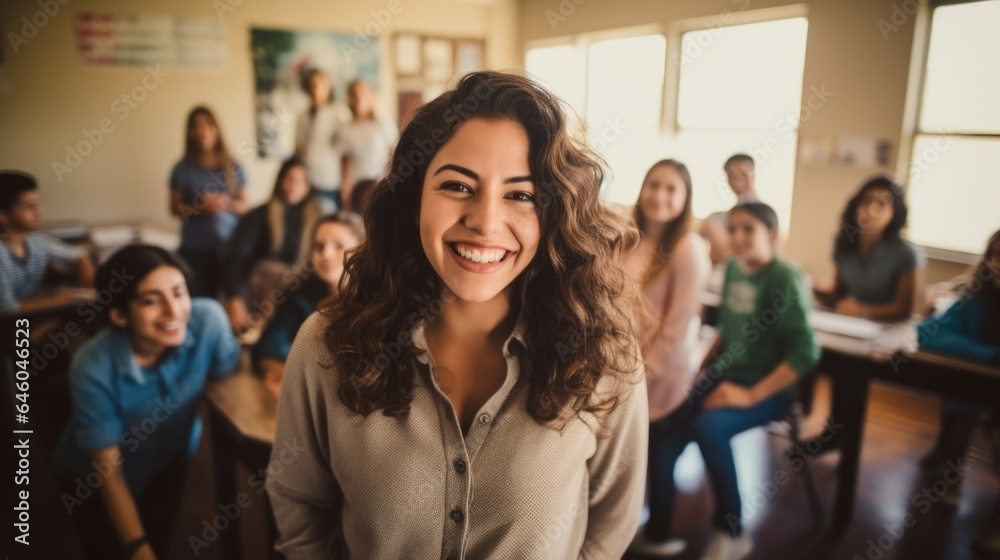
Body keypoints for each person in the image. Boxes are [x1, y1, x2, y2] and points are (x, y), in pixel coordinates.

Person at [266, 71, 649, 559]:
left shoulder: (603, 354)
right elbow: (299, 508)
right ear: (413, 196)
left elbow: (610, 524)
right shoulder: (325, 344)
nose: (485, 221)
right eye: (457, 185)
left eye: (521, 194)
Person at [644, 201, 819, 560]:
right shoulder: (735, 269)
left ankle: (732, 531)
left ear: (772, 235)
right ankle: (656, 530)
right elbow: (726, 329)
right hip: (725, 375)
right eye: (732, 228)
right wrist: (701, 373)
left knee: (710, 428)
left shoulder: (785, 276)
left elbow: (805, 352)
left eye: (748, 229)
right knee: (662, 430)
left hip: (771, 388)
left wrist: (749, 394)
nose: (737, 237)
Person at [54, 245, 241, 560]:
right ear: (118, 313)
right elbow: (108, 473)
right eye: (151, 301)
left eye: (179, 292)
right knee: (113, 549)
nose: (174, 311)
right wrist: (136, 547)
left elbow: (230, 376)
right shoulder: (93, 366)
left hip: (168, 460)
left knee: (160, 535)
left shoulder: (208, 320)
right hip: (92, 481)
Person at [625, 160, 710, 555]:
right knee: (624, 455)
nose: (660, 196)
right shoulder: (629, 237)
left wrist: (641, 375)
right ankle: (622, 525)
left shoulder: (688, 248)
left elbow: (676, 329)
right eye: (654, 185)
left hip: (659, 375)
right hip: (621, 366)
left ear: (685, 199)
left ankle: (659, 534)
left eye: (671, 189)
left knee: (657, 455)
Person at [808, 176, 925, 454]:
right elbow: (837, 293)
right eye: (867, 200)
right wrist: (808, 284)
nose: (871, 209)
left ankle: (840, 436)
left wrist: (862, 309)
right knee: (813, 349)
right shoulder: (844, 244)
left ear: (895, 213)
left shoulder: (906, 253)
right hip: (852, 328)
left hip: (889, 330)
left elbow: (906, 308)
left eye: (882, 203)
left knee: (851, 369)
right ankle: (825, 427)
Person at [916, 229, 1000, 516]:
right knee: (964, 401)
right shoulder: (976, 297)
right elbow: (927, 332)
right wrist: (989, 355)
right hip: (978, 387)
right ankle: (951, 473)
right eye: (995, 256)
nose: (998, 264)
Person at [253, 211, 364, 399]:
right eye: (319, 246)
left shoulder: (379, 300)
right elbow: (269, 348)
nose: (326, 254)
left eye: (339, 246)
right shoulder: (299, 294)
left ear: (362, 251)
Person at [221, 156, 334, 334]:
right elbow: (238, 256)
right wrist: (234, 299)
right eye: (289, 178)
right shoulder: (259, 215)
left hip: (294, 292)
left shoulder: (318, 221)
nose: (293, 185)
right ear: (280, 180)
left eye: (300, 181)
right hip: (255, 289)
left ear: (308, 186)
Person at [169, 106, 248, 298]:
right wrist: (200, 209)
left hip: (230, 250)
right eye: (196, 126)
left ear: (216, 129)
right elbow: (174, 209)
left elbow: (245, 206)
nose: (202, 131)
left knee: (235, 302)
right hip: (195, 251)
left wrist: (225, 203)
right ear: (190, 132)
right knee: (201, 302)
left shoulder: (232, 166)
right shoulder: (182, 169)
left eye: (207, 125)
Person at [0, 170, 94, 315]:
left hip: (38, 312)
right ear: (3, 216)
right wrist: (56, 301)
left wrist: (87, 286)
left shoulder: (35, 240)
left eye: (38, 204)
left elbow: (79, 254)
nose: (40, 212)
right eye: (29, 207)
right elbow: (7, 309)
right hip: (13, 325)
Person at [339, 79, 398, 210]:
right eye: (355, 94)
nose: (359, 98)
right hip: (357, 189)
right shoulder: (345, 129)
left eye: (363, 94)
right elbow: (346, 165)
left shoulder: (383, 124)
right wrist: (345, 193)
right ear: (350, 99)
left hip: (380, 186)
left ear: (372, 97)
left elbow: (394, 155)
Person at [295, 68, 345, 206]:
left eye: (319, 83)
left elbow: (345, 150)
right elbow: (298, 147)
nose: (315, 88)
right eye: (311, 84)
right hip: (306, 181)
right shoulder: (302, 116)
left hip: (329, 180)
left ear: (328, 87)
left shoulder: (338, 114)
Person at [699, 154, 758, 266]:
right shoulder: (722, 216)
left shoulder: (766, 216)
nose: (738, 180)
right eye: (732, 176)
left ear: (753, 175)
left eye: (743, 175)